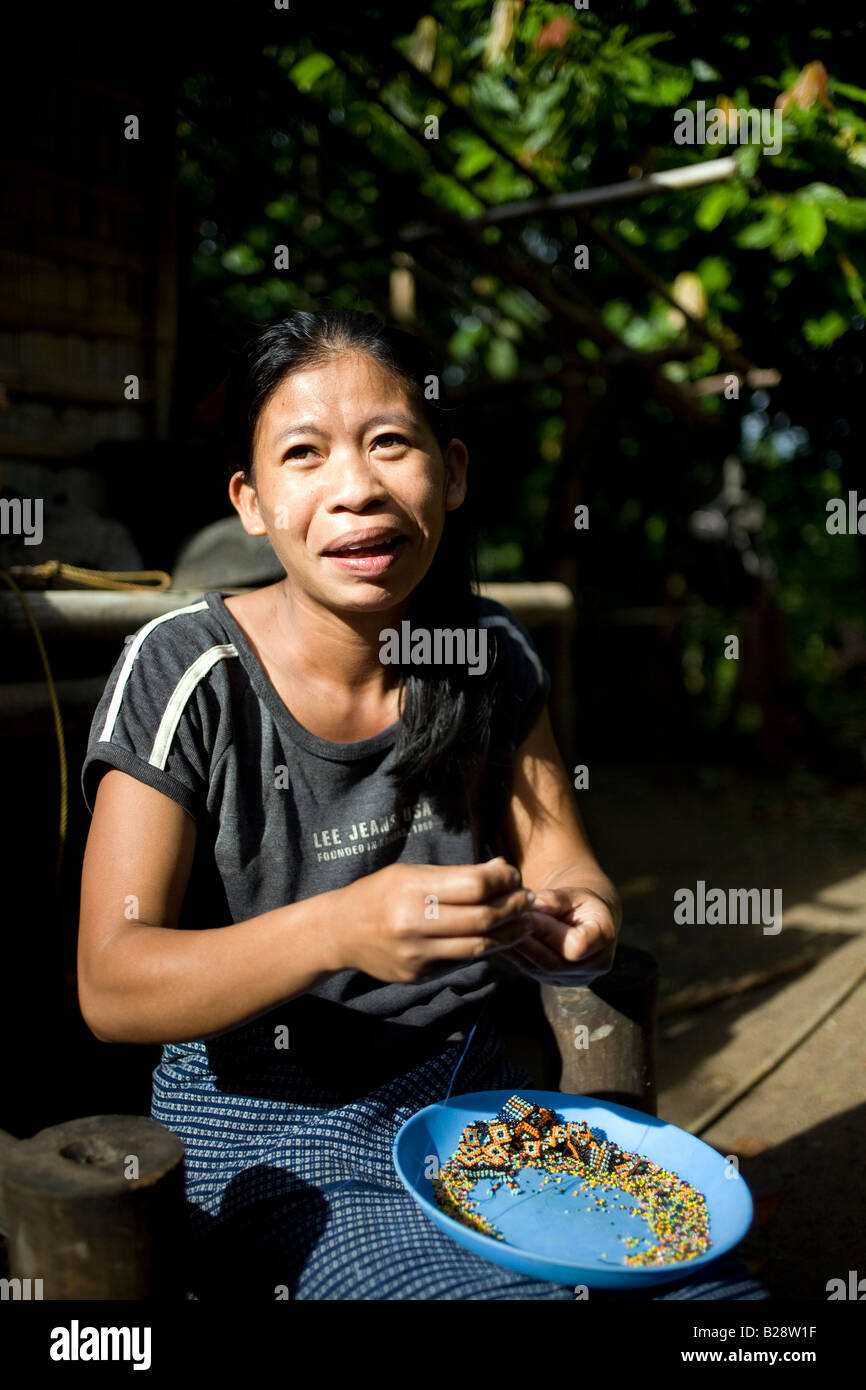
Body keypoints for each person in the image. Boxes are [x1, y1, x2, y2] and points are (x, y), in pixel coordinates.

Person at [77, 309, 770, 1301]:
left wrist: (580, 917)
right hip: (273, 1135)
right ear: (251, 501)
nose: (355, 487)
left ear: (449, 471)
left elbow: (564, 864)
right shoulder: (186, 671)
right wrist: (338, 928)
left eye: (388, 443)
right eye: (303, 454)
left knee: (712, 1300)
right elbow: (110, 981)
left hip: (480, 1112)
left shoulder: (488, 658)